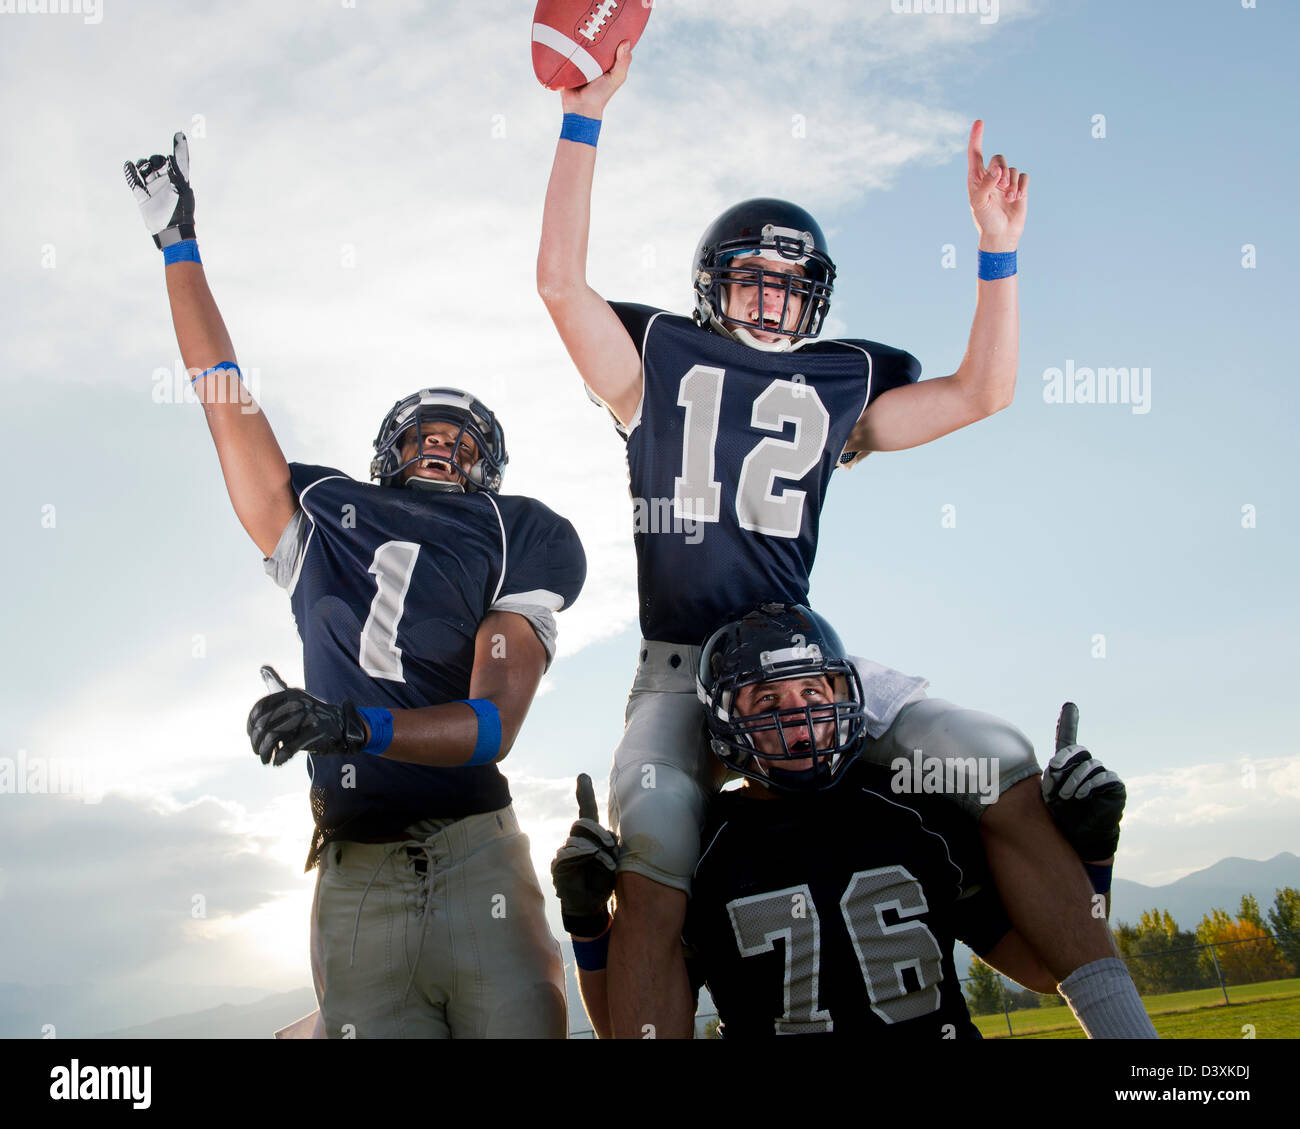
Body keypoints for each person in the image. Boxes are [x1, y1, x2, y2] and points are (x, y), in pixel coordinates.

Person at [536, 46, 1141, 1039]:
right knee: (653, 850)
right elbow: (560, 283)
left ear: (814, 295)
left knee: (995, 757)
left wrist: (998, 250)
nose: (772, 298)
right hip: (681, 671)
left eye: (790, 282)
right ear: (711, 287)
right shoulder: (654, 365)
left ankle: (1131, 1047)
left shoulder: (838, 382)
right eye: (752, 278)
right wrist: (584, 116)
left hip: (806, 661)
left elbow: (980, 395)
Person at [126, 134, 586, 1038]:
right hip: (353, 867)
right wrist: (179, 247)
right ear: (386, 456)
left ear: (490, 465)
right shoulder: (326, 516)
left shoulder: (512, 531)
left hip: (476, 853)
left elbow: (491, 728)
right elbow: (223, 396)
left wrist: (349, 724)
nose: (443, 445)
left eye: (461, 438)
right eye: (426, 435)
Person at [553, 604, 1153, 1039]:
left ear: (848, 698)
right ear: (722, 723)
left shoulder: (919, 811)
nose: (799, 720)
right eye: (768, 702)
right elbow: (636, 1027)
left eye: (813, 695)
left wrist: (1094, 852)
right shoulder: (703, 846)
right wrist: (587, 926)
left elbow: (1048, 968)